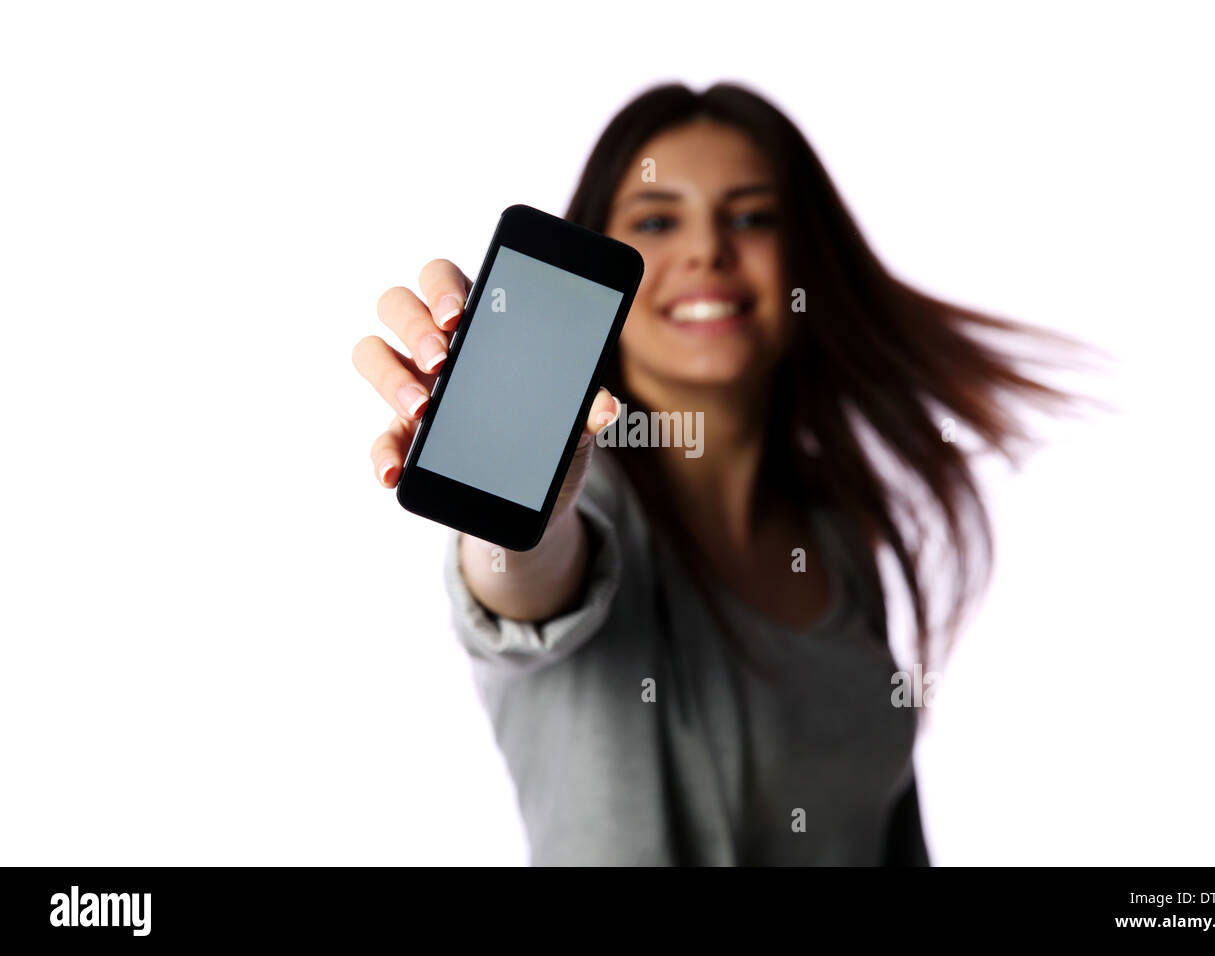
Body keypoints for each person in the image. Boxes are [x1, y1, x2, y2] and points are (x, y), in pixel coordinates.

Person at [351, 82, 1092, 865]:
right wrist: (509, 495)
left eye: (751, 216)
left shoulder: (834, 535)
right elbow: (522, 586)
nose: (707, 250)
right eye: (657, 219)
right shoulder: (585, 497)